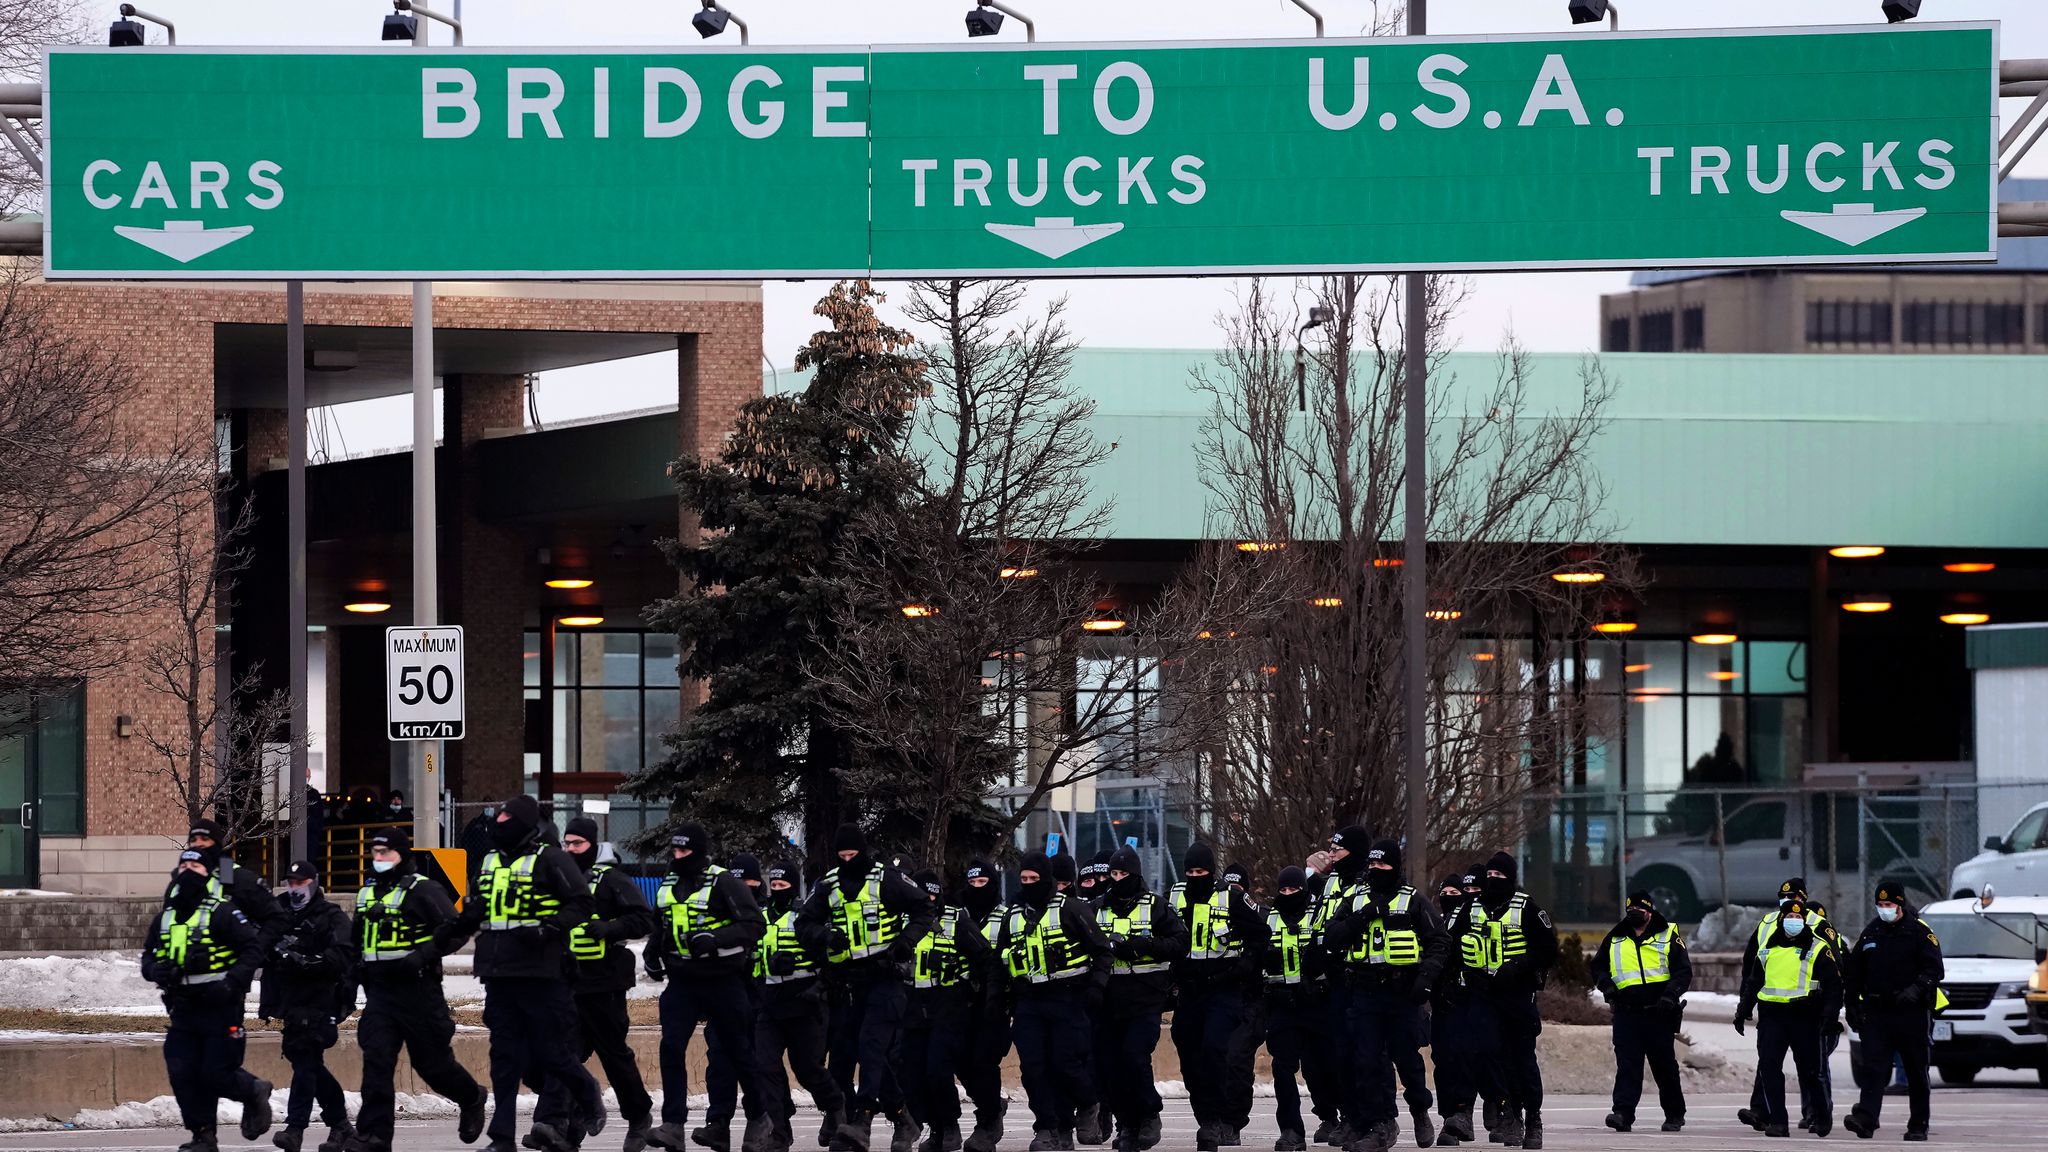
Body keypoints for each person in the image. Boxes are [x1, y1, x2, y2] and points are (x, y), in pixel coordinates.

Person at [442, 794, 603, 1152]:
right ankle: (502, 1138)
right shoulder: (488, 862)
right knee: (504, 1059)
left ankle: (587, 1091)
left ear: (527, 825)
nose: (499, 826)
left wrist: (549, 928)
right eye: (497, 821)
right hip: (498, 974)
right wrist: (446, 936)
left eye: (506, 821)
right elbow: (480, 909)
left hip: (542, 973)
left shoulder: (551, 859)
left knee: (553, 1053)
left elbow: (582, 904)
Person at [796, 823, 938, 1152]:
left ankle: (862, 1120)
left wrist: (905, 942)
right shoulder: (829, 884)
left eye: (853, 854)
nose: (848, 860)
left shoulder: (886, 879)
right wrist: (826, 937)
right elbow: (804, 923)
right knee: (845, 1055)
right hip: (848, 982)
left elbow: (923, 908)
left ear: (863, 851)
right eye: (842, 855)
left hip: (886, 977)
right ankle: (900, 1117)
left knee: (871, 1047)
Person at [347, 826, 487, 1152]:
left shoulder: (424, 890)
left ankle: (471, 1096)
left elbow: (454, 932)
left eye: (386, 853)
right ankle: (374, 1137)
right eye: (375, 853)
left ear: (402, 855)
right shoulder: (367, 892)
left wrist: (422, 956)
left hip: (419, 992)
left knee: (433, 1067)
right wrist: (349, 980)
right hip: (380, 993)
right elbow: (355, 943)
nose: (379, 859)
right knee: (377, 1061)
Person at [642, 822, 773, 1152]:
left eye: (684, 851)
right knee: (671, 1046)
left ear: (698, 851)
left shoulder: (723, 881)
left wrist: (716, 939)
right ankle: (673, 1123)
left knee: (738, 1051)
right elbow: (662, 923)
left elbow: (754, 924)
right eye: (674, 850)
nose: (677, 856)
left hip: (722, 980)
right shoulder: (669, 881)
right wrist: (652, 953)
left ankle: (759, 1116)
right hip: (682, 981)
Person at [143, 848, 274, 1152]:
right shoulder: (165, 918)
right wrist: (156, 970)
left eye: (196, 866)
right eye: (184, 864)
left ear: (208, 874)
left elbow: (253, 949)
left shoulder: (223, 912)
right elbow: (147, 957)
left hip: (220, 1006)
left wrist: (232, 983)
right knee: (181, 1069)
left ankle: (254, 1090)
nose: (189, 870)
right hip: (182, 1007)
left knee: (215, 1072)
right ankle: (202, 1135)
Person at [1323, 840, 1448, 1152]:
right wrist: (1363, 916)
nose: (1376, 870)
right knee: (1366, 1061)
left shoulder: (1413, 901)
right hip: (1364, 991)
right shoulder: (1356, 899)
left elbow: (1440, 940)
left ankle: (1420, 1108)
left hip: (1403, 992)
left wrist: (1426, 977)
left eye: (1383, 866)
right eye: (1373, 865)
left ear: (1395, 868)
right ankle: (1381, 1125)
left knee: (1407, 1059)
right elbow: (1332, 936)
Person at [997, 850, 1116, 1151]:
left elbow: (1102, 951)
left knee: (1066, 1063)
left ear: (1046, 880)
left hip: (1068, 998)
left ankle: (1090, 1103)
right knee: (1034, 1068)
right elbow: (997, 960)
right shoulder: (1012, 916)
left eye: (1033, 879)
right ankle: (1047, 1128)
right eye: (1023, 879)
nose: (1027, 884)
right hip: (1029, 1002)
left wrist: (1096, 988)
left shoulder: (1071, 909)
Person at [562, 816, 659, 1152]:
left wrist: (610, 927)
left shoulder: (611, 880)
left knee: (614, 1057)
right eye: (567, 843)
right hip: (567, 984)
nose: (571, 849)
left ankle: (638, 1117)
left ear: (592, 845)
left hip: (604, 985)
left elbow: (644, 919)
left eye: (578, 844)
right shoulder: (560, 880)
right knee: (564, 1057)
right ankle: (570, 1124)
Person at [1450, 852, 1557, 1150]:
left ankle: (1532, 1118)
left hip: (1517, 996)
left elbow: (1548, 949)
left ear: (1511, 879)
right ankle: (1506, 1108)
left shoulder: (1527, 909)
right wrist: (1458, 977)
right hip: (1482, 995)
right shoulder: (1469, 908)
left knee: (1522, 1059)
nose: (1494, 881)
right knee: (1484, 1054)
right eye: (1491, 876)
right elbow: (1451, 945)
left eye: (1500, 877)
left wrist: (1518, 967)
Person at [1169, 842, 1269, 1152]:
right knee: (1189, 1053)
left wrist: (1245, 965)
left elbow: (1261, 933)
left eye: (1200, 871)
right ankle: (1205, 1115)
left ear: (1211, 872)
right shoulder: (1174, 897)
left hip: (1224, 986)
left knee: (1215, 1049)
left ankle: (1215, 1121)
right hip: (1189, 989)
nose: (1194, 876)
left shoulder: (1232, 897)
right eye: (1190, 872)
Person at [1093, 845, 1188, 1152]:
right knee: (1110, 1066)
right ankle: (1126, 1124)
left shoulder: (1156, 906)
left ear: (1134, 875)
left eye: (1122, 874)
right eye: (1113, 873)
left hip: (1146, 998)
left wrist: (1143, 945)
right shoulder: (1097, 907)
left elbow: (1179, 942)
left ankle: (1148, 1115)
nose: (1117, 879)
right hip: (1109, 1000)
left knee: (1134, 1057)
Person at [260, 860, 355, 1152]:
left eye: (300, 883)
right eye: (290, 882)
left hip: (321, 999)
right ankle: (340, 1125)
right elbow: (262, 941)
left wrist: (311, 961)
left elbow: (344, 954)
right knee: (305, 1060)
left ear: (313, 883)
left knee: (305, 1057)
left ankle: (295, 1128)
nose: (294, 888)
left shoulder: (330, 916)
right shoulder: (280, 911)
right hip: (292, 1001)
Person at [903, 867, 998, 1152]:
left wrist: (982, 996)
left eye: (934, 894)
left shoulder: (956, 921)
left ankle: (951, 1124)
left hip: (949, 1006)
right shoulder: (900, 922)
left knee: (938, 1070)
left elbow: (986, 958)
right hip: (911, 1007)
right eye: (923, 895)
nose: (929, 900)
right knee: (913, 1076)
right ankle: (937, 1126)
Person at [754, 858, 846, 1152]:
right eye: (774, 884)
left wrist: (816, 985)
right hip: (770, 1002)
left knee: (807, 1069)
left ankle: (835, 1108)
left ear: (794, 887)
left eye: (783, 885)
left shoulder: (804, 917)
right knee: (765, 1066)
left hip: (804, 1002)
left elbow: (828, 961)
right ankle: (780, 1132)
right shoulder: (760, 915)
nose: (777, 889)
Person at [1842, 882, 1943, 1142]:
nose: (1885, 909)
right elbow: (1855, 972)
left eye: (1889, 905)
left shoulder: (1919, 932)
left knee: (1915, 1071)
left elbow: (1934, 969)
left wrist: (1916, 989)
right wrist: (1851, 1004)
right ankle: (1866, 1118)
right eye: (1881, 905)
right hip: (1877, 1013)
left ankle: (1918, 1124)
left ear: (1900, 904)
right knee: (1874, 1068)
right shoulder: (1871, 932)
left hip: (1910, 1013)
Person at [1735, 898, 1842, 1138]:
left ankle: (1822, 1115)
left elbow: (1834, 986)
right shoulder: (1767, 949)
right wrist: (1743, 1010)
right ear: (1781, 921)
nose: (1794, 921)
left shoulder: (1817, 948)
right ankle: (1778, 1122)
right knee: (1770, 1068)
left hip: (1804, 1016)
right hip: (1772, 1017)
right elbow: (1754, 982)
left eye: (1798, 918)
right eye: (1790, 918)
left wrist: (1829, 1017)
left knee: (1810, 1071)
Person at [1590, 892, 1690, 1134]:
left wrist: (1670, 995)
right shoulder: (1615, 938)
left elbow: (1683, 971)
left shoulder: (1668, 936)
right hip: (1627, 1013)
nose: (1635, 912)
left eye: (1640, 909)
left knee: (1664, 1066)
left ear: (1650, 911)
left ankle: (1674, 1114)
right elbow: (1598, 967)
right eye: (1631, 908)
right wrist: (1608, 988)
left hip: (1659, 1012)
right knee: (1628, 1066)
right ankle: (1623, 1114)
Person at [1257, 866, 1334, 1152]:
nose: (1288, 895)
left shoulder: (1319, 915)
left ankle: (1332, 1115)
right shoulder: (1269, 918)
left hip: (1317, 1003)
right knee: (1282, 1068)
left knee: (1322, 1066)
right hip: (1283, 1004)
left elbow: (1332, 952)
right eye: (1284, 890)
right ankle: (1290, 1129)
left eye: (1294, 890)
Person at [701, 854, 769, 1152]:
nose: (742, 887)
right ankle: (718, 1124)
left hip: (761, 1000)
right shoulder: (723, 916)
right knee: (719, 1061)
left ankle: (766, 1122)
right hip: (725, 995)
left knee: (757, 1064)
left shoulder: (769, 914)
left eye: (747, 881)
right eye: (737, 881)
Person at [957, 858, 1014, 1152]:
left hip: (993, 1003)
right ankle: (991, 1104)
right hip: (960, 1001)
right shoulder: (957, 916)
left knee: (983, 1062)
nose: (977, 888)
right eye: (973, 883)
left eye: (983, 883)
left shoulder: (1006, 918)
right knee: (960, 1062)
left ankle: (988, 1122)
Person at [1427, 874, 1486, 1149]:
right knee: (1442, 1061)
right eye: (1446, 891)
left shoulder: (1471, 922)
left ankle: (1462, 1113)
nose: (1450, 896)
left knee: (1463, 1058)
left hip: (1465, 1001)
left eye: (1456, 891)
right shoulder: (1434, 922)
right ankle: (1449, 1114)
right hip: (1441, 1003)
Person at [180, 817, 288, 952]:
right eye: (193, 840)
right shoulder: (181, 883)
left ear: (217, 843)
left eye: (205, 838)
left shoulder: (242, 880)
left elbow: (276, 920)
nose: (198, 844)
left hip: (233, 967)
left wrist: (253, 951)